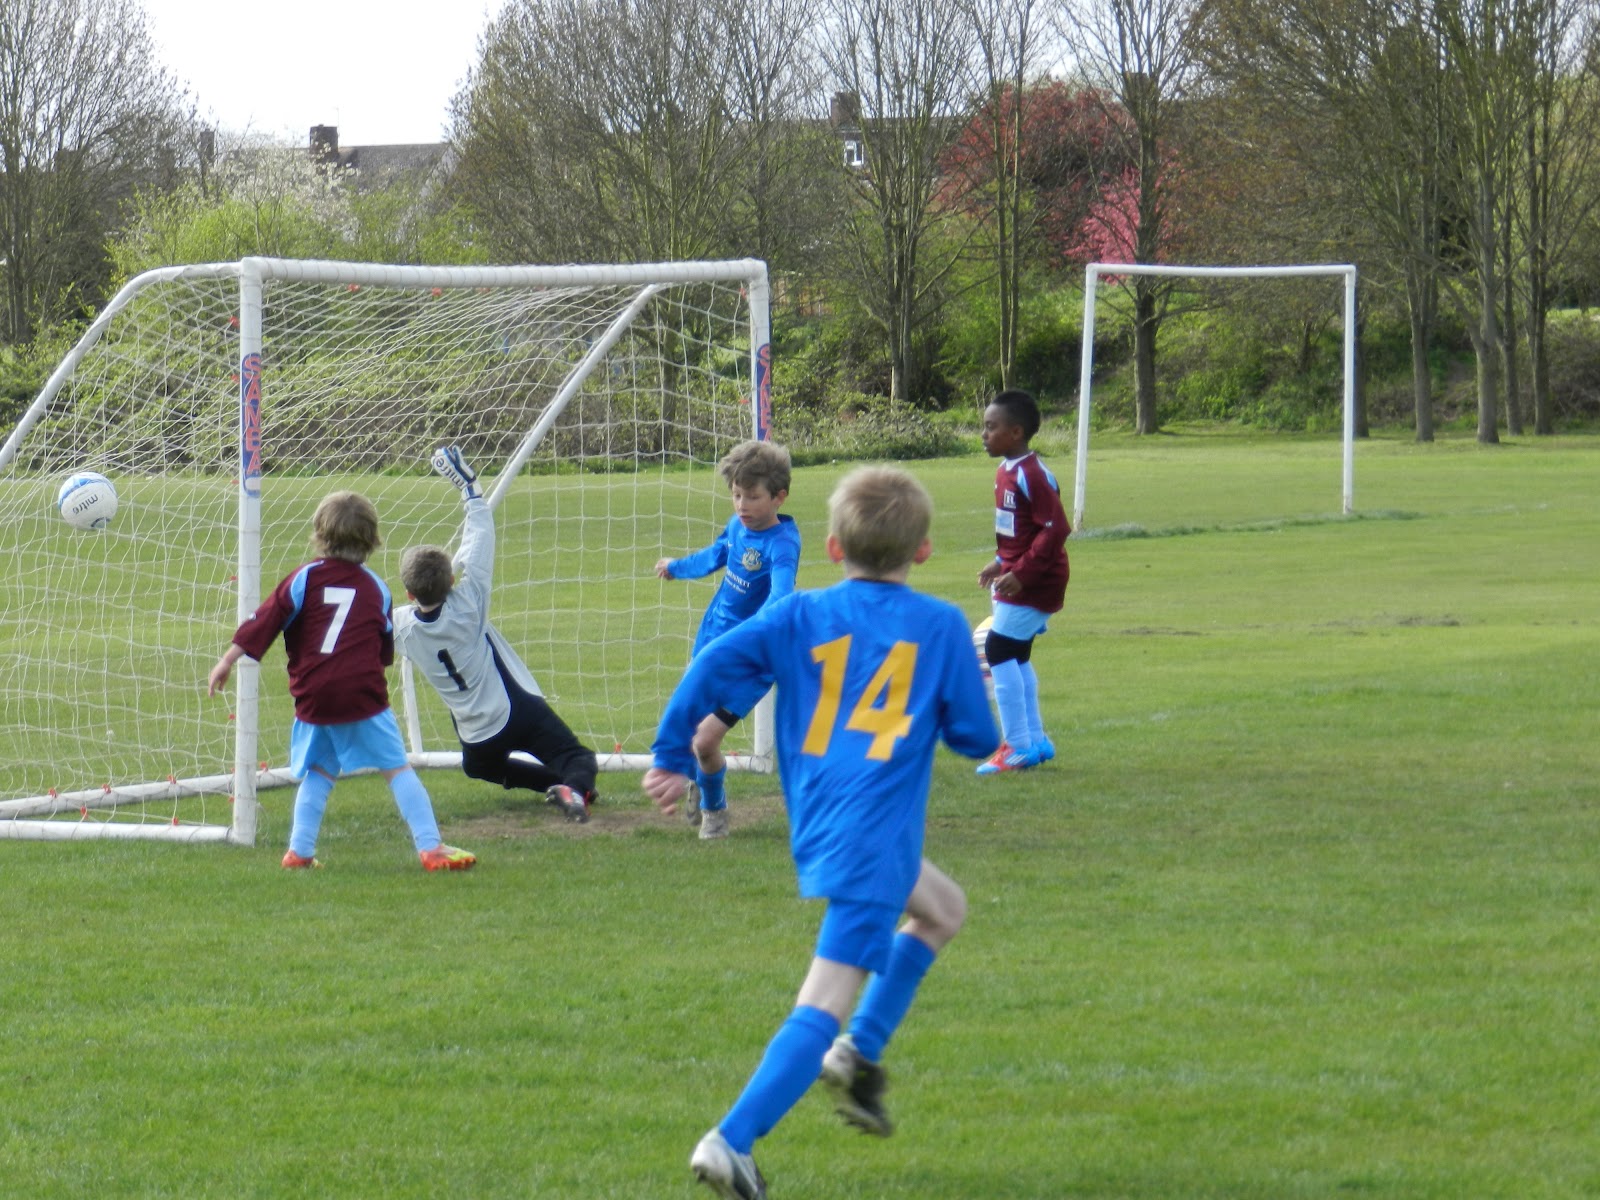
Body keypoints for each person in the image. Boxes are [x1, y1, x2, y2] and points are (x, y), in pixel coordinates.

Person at [643, 465, 998, 1200]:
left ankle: (859, 1051)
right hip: (873, 833)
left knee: (944, 909)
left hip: (828, 819)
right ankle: (731, 1140)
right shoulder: (937, 625)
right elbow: (973, 738)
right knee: (825, 994)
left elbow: (711, 660)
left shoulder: (798, 614)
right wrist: (976, 676)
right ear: (923, 550)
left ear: (834, 548)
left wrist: (674, 754)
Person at [207, 491, 476, 871]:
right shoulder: (375, 589)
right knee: (397, 768)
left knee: (319, 769)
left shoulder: (303, 579)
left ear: (319, 534)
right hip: (360, 693)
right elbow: (384, 648)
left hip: (313, 696)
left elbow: (265, 619)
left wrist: (226, 660)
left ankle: (299, 852)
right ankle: (431, 846)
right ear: (371, 540)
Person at [393, 447, 597, 823]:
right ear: (452, 581)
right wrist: (469, 488)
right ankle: (572, 785)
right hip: (515, 710)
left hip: (477, 737)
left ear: (408, 593)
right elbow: (480, 537)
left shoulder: (402, 627)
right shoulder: (469, 603)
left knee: (480, 767)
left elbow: (373, 625)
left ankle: (561, 785)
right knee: (579, 758)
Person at [653, 440, 801, 839]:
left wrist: (761, 630)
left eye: (752, 497)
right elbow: (715, 555)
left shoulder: (782, 544)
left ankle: (715, 812)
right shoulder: (738, 527)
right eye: (736, 495)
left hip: (752, 662)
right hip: (710, 644)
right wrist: (676, 567)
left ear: (778, 496)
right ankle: (703, 786)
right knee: (692, 734)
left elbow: (781, 594)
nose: (741, 506)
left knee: (703, 741)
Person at [975, 388, 1069, 774]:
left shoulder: (1034, 474)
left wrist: (1022, 573)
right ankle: (1036, 741)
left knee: (997, 650)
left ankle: (1016, 746)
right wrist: (1000, 562)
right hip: (1019, 575)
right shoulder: (1005, 471)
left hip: (1037, 581)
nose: (983, 434)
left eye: (990, 427)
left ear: (1015, 433)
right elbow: (1019, 531)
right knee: (1016, 654)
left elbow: (1055, 529)